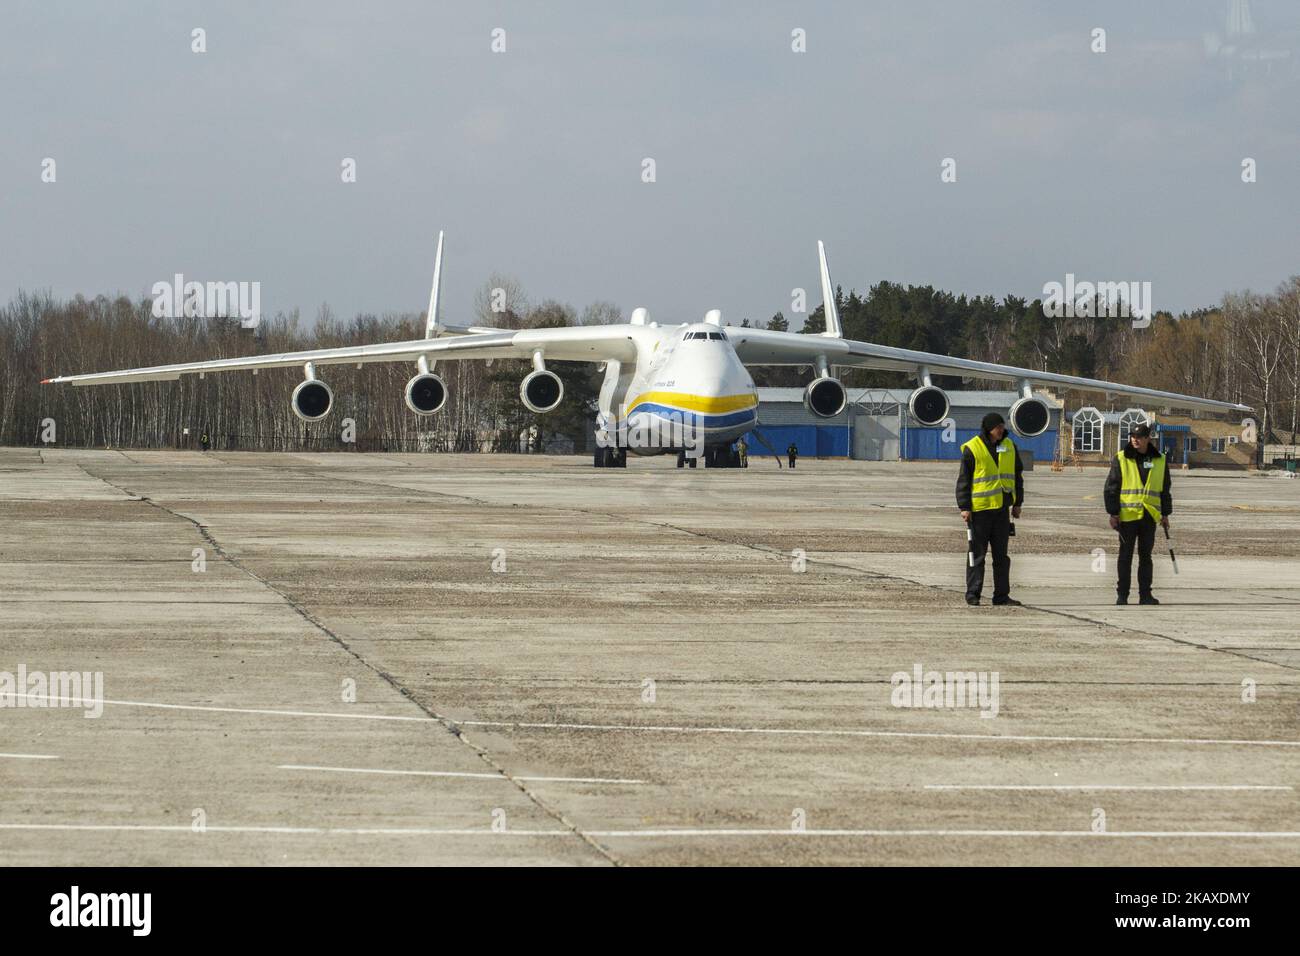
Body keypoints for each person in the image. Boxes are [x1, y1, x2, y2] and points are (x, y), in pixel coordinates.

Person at [956, 412, 1024, 606]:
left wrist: (1018, 502)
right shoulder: (972, 448)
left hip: (1002, 510)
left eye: (1002, 426)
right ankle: (973, 594)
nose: (1001, 430)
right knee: (976, 555)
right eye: (998, 427)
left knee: (1001, 557)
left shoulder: (1009, 446)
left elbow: (1017, 476)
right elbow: (964, 480)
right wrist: (964, 507)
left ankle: (1001, 596)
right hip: (980, 511)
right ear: (989, 428)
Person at [1104, 422, 1171, 605]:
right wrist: (1113, 513)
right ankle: (1122, 594)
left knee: (1146, 557)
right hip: (1128, 516)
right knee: (1125, 556)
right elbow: (1112, 487)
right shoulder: (1121, 458)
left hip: (1149, 516)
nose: (1135, 440)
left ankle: (1145, 594)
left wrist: (1165, 514)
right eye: (1133, 436)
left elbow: (1165, 489)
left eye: (1139, 437)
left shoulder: (1160, 460)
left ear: (1148, 438)